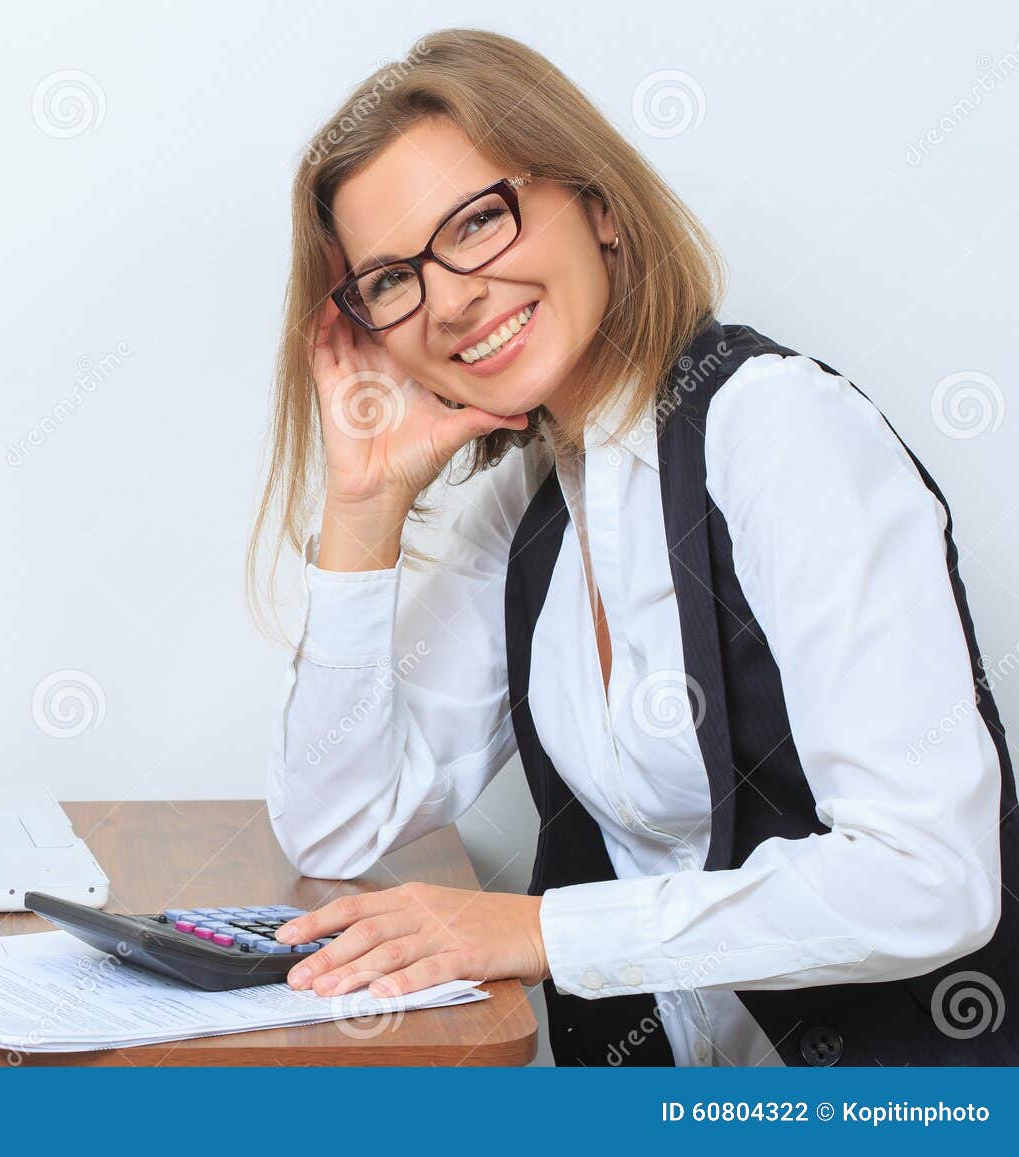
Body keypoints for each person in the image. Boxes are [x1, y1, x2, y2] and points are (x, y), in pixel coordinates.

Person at [250, 27, 1017, 1066]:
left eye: (478, 220)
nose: (451, 298)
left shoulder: (777, 430)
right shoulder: (527, 505)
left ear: (599, 206)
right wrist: (363, 504)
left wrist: (538, 932)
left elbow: (932, 876)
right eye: (391, 279)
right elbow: (335, 827)